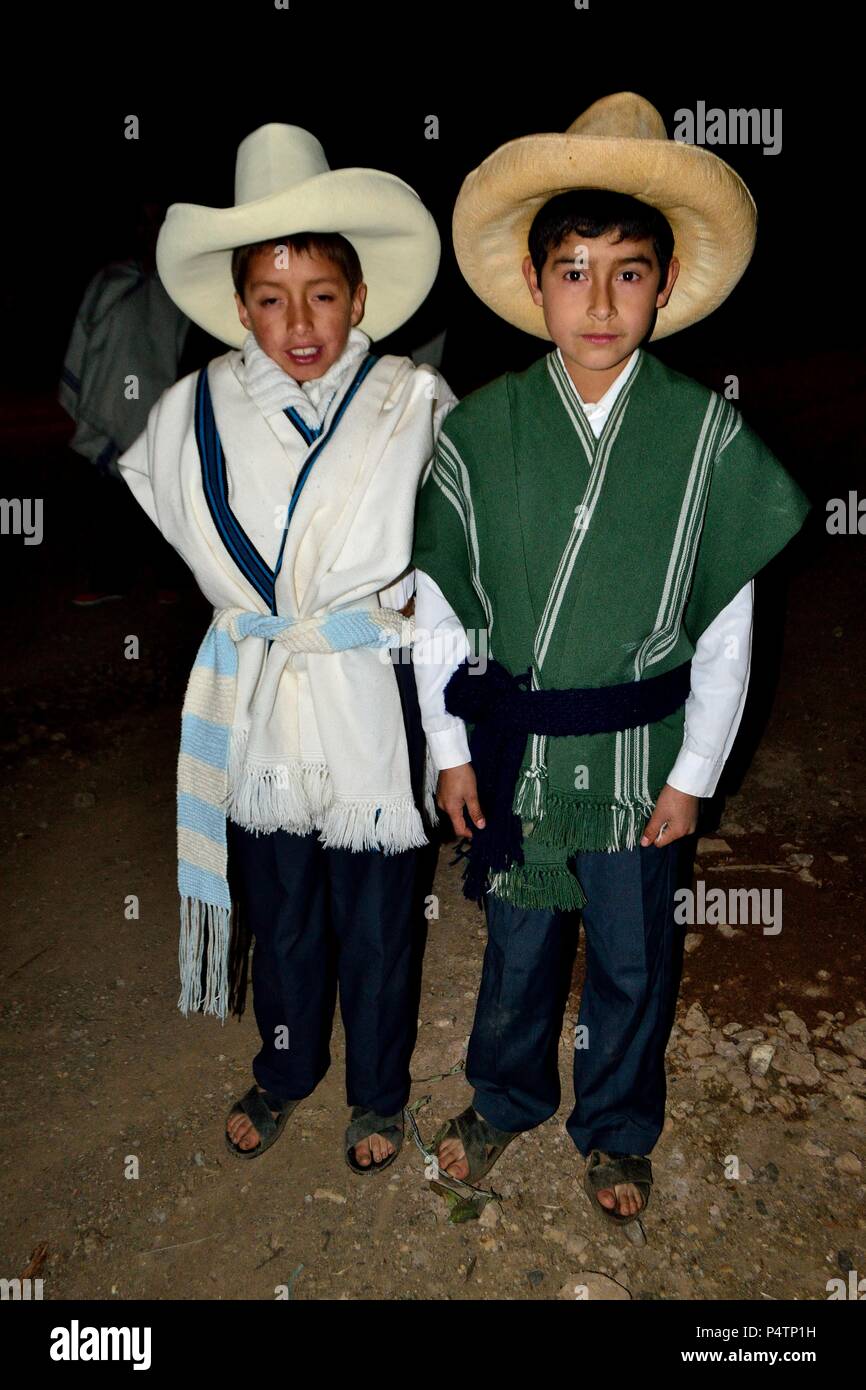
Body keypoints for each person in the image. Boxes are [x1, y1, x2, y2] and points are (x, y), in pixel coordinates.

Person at [409, 93, 811, 1224]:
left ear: (665, 283)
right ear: (533, 282)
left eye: (626, 271)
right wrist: (448, 749)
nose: (597, 299)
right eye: (572, 269)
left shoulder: (704, 434)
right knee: (519, 946)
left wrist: (693, 777)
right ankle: (501, 1097)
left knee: (633, 959)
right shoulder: (478, 431)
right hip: (516, 753)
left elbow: (724, 625)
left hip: (638, 758)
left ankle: (618, 1127)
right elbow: (440, 608)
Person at [117, 123, 455, 1173]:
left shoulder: (412, 400)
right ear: (237, 305)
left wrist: (451, 729)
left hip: (369, 691)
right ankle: (285, 1067)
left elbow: (440, 579)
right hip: (263, 697)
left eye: (320, 293)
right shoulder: (187, 417)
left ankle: (379, 1092)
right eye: (269, 295)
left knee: (379, 915)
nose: (297, 320)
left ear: (358, 299)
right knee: (282, 905)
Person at [58, 200, 192, 605]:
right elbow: (84, 339)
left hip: (158, 405)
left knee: (164, 494)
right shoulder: (110, 280)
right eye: (144, 221)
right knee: (108, 499)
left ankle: (172, 578)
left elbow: (183, 351)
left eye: (158, 222)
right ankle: (109, 579)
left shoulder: (180, 290)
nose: (150, 230)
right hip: (108, 405)